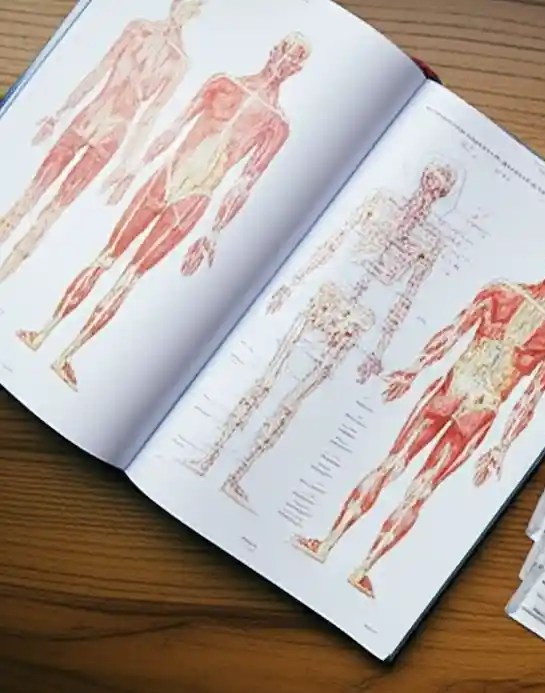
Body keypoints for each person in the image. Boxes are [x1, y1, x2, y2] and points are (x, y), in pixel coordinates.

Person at [293, 243, 545, 599]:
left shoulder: (503, 293)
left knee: (393, 463)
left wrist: (415, 370)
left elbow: (455, 332)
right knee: (422, 488)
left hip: (452, 389)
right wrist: (501, 446)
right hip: (481, 407)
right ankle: (361, 570)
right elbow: (529, 398)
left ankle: (327, 544)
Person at [18, 33, 312, 391]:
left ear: (297, 69)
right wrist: (133, 169)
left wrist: (213, 233)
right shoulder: (223, 83)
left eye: (295, 58)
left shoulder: (276, 124)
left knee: (130, 277)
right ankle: (43, 334)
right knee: (107, 257)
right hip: (163, 179)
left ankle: (65, 354)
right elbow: (174, 128)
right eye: (285, 50)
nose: (285, 61)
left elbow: (245, 182)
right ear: (273, 49)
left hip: (195, 197)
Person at [187, 164, 459, 509]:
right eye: (429, 183)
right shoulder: (382, 201)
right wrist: (292, 284)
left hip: (354, 320)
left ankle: (237, 474)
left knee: (294, 399)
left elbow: (407, 296)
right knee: (267, 380)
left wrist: (379, 349)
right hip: (330, 298)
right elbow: (335, 241)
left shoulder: (429, 242)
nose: (429, 194)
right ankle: (209, 457)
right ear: (422, 180)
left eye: (438, 191)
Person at [0, 0, 203, 284]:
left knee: (55, 209)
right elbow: (100, 69)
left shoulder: (179, 62)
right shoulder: (137, 29)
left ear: (196, 12)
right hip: (88, 117)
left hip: (113, 135)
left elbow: (150, 115)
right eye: (185, 2)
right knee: (30, 195)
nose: (185, 9)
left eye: (194, 5)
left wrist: (127, 164)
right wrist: (59, 114)